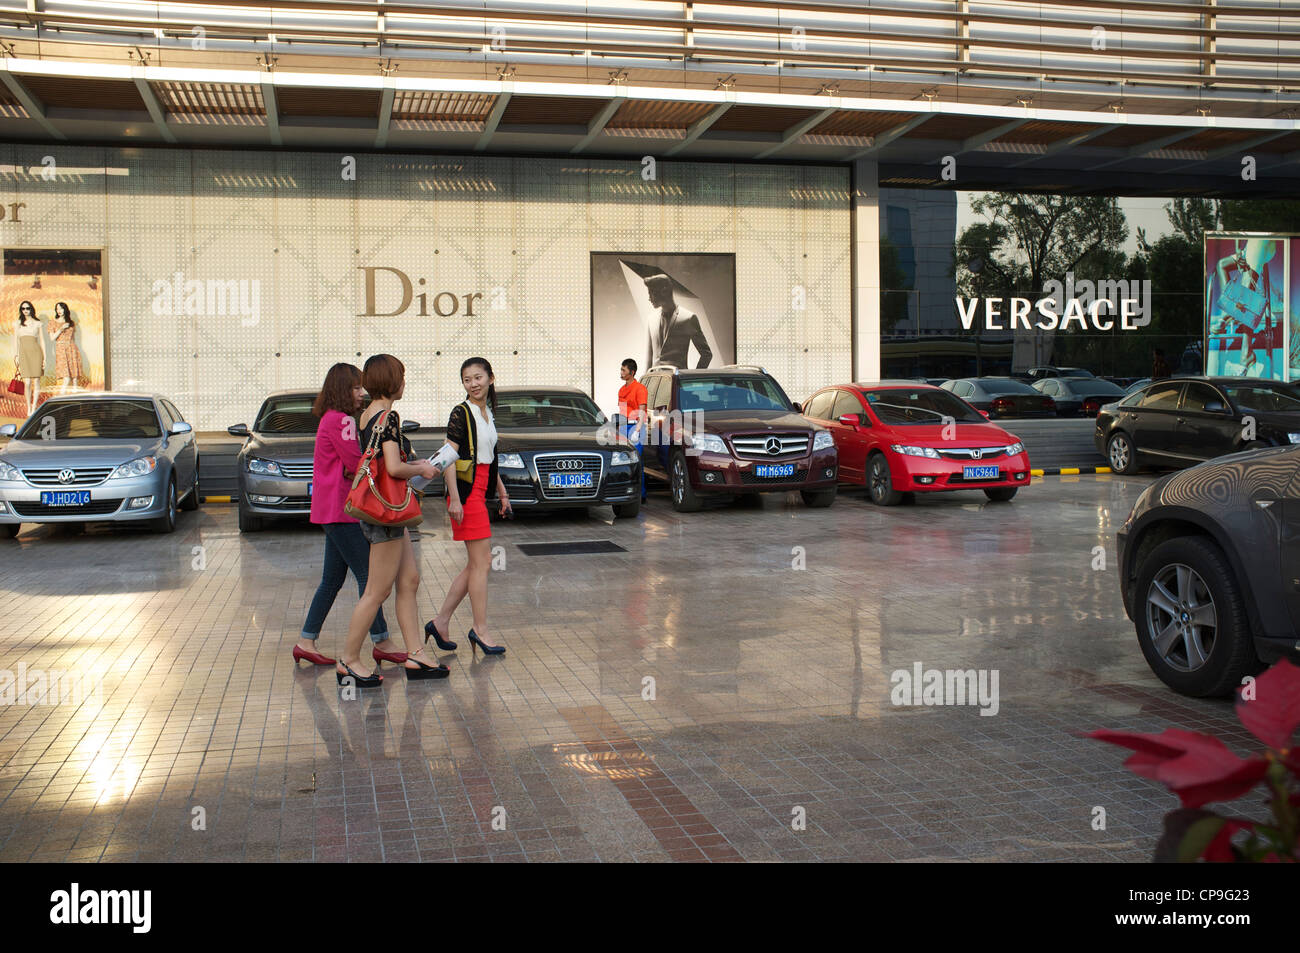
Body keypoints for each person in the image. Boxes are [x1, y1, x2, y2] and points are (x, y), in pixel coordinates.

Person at [336, 354, 446, 688]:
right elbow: (395, 468)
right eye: (401, 375)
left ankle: (415, 652)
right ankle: (349, 660)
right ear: (391, 381)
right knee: (377, 590)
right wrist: (423, 468)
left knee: (409, 579)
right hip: (386, 513)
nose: (404, 381)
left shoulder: (367, 414)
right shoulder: (388, 415)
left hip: (386, 513)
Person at [293, 362, 407, 668]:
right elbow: (358, 462)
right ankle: (381, 640)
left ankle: (306, 640)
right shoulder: (342, 421)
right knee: (370, 578)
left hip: (330, 510)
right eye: (356, 388)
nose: (362, 393)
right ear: (342, 390)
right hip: (343, 511)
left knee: (332, 579)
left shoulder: (330, 419)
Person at [425, 357, 512, 657]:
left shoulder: (488, 412)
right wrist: (455, 499)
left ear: (491, 378)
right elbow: (450, 455)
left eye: (478, 377)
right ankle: (480, 629)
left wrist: (502, 493)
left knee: (479, 563)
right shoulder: (461, 412)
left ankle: (441, 621)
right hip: (466, 492)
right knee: (482, 562)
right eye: (467, 379)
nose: (473, 384)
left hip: (482, 488)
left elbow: (489, 457)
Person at [645, 273, 712, 368]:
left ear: (664, 291)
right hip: (655, 381)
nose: (649, 298)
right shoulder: (651, 319)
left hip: (677, 381)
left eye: (651, 292)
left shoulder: (688, 318)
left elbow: (706, 354)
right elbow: (648, 360)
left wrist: (691, 379)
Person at [617, 358, 648, 503]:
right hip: (625, 427)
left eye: (624, 370)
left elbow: (641, 411)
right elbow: (622, 411)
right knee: (624, 460)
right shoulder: (622, 390)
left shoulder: (640, 389)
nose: (621, 372)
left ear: (632, 372)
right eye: (621, 369)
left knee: (637, 461)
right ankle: (626, 491)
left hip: (636, 426)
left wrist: (638, 430)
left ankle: (641, 495)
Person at [12, 300, 45, 415]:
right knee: (27, 382)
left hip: (36, 353)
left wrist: (44, 358)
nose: (25, 310)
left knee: (36, 381)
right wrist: (15, 355)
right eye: (23, 308)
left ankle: (34, 407)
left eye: (27, 308)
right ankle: (28, 407)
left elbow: (42, 341)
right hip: (23, 353)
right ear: (21, 310)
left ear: (31, 309)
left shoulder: (37, 323)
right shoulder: (17, 323)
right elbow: (16, 340)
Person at [48, 302, 82, 389]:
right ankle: (60, 398)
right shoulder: (52, 322)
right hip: (61, 349)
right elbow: (52, 338)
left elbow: (73, 338)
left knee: (74, 378)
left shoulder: (71, 322)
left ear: (65, 309)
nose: (59, 311)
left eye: (61, 308)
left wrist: (76, 351)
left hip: (72, 348)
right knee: (66, 378)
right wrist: (61, 329)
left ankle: (75, 398)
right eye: (57, 309)